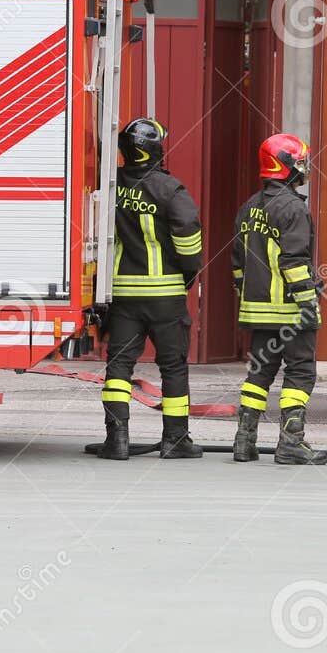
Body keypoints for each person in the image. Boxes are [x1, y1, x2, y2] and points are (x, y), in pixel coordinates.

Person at [98, 118, 204, 460]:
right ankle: (175, 440)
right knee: (172, 366)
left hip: (123, 294)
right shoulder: (169, 188)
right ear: (155, 147)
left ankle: (116, 441)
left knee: (119, 366)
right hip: (165, 296)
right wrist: (189, 273)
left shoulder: (110, 187)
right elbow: (187, 233)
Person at [231, 133, 326, 465]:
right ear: (285, 166)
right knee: (300, 372)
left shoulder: (248, 207)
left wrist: (251, 298)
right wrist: (308, 304)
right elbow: (294, 263)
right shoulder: (293, 210)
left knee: (260, 372)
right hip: (290, 311)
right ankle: (291, 443)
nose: (304, 168)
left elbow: (238, 266)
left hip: (258, 311)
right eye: (299, 162)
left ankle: (244, 441)